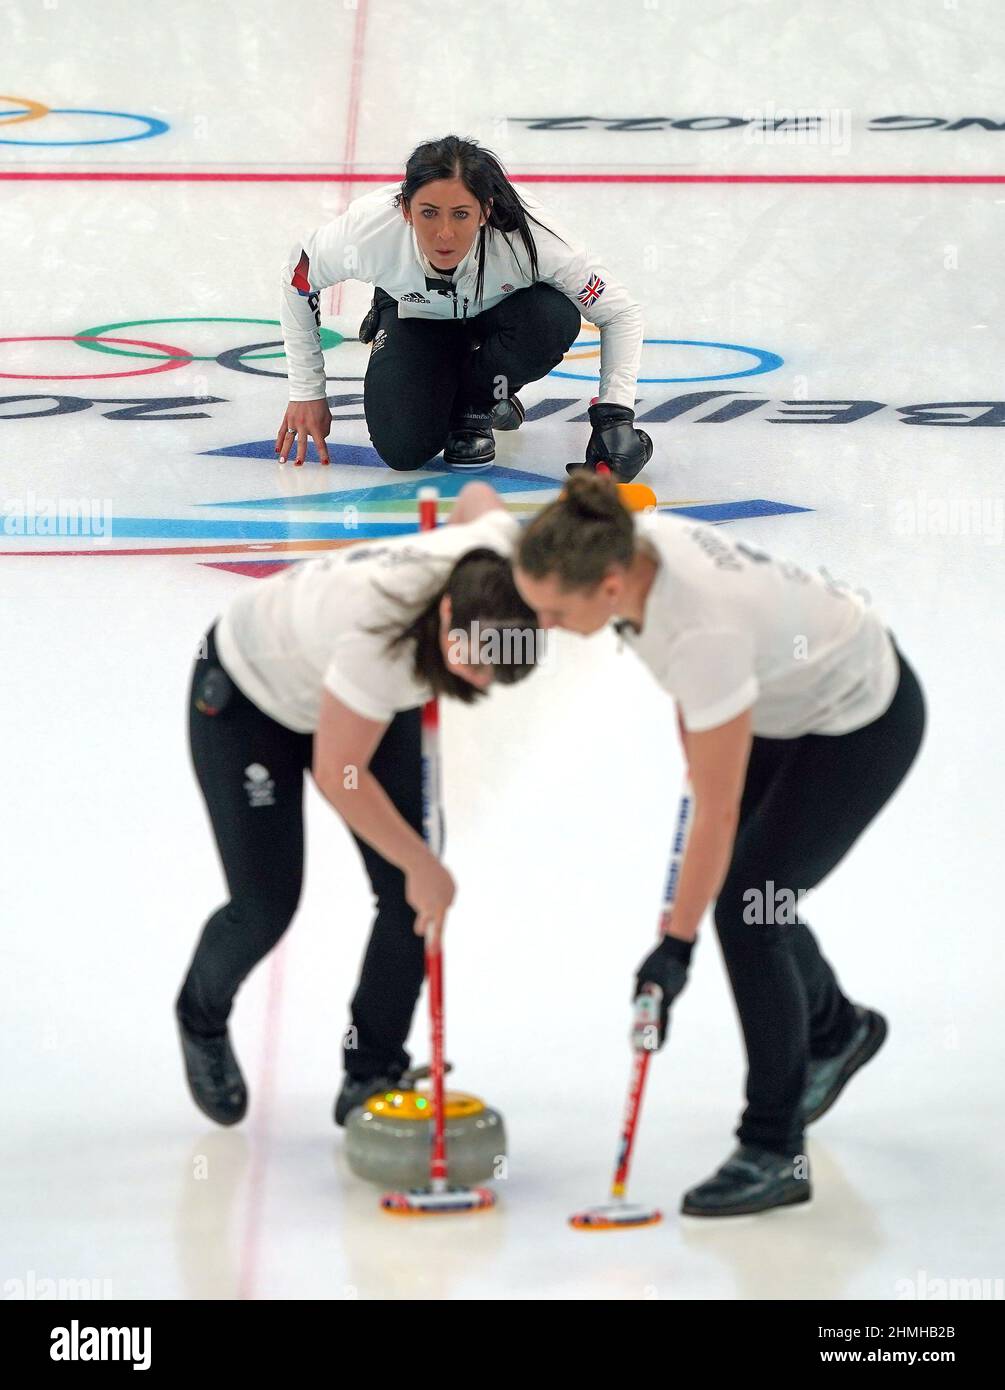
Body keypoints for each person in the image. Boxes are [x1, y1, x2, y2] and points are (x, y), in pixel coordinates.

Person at [514, 474, 926, 1217]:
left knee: (750, 908)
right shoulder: (637, 554)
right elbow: (697, 712)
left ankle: (773, 1150)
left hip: (860, 720)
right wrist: (700, 747)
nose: (542, 625)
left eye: (550, 611)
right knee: (750, 885)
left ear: (607, 586)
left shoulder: (699, 627)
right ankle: (835, 1030)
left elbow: (715, 804)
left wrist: (673, 949)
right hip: (781, 699)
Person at [175, 483, 538, 1127]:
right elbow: (340, 773)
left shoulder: (497, 555)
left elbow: (479, 495)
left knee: (407, 893)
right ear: (448, 612)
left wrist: (418, 870)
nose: (478, 683)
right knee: (266, 905)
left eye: (493, 670)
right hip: (251, 697)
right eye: (474, 664)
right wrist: (426, 864)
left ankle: (369, 1071)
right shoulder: (382, 640)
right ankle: (199, 1017)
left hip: (354, 692)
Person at [275, 133, 651, 478]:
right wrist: (307, 390)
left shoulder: (531, 235)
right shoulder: (368, 232)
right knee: (403, 450)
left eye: (460, 214)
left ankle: (478, 401)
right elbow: (298, 280)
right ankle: (463, 378)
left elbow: (619, 312)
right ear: (405, 210)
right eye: (428, 213)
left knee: (553, 318)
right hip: (414, 312)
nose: (444, 234)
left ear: (485, 211)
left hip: (500, 313)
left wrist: (613, 418)